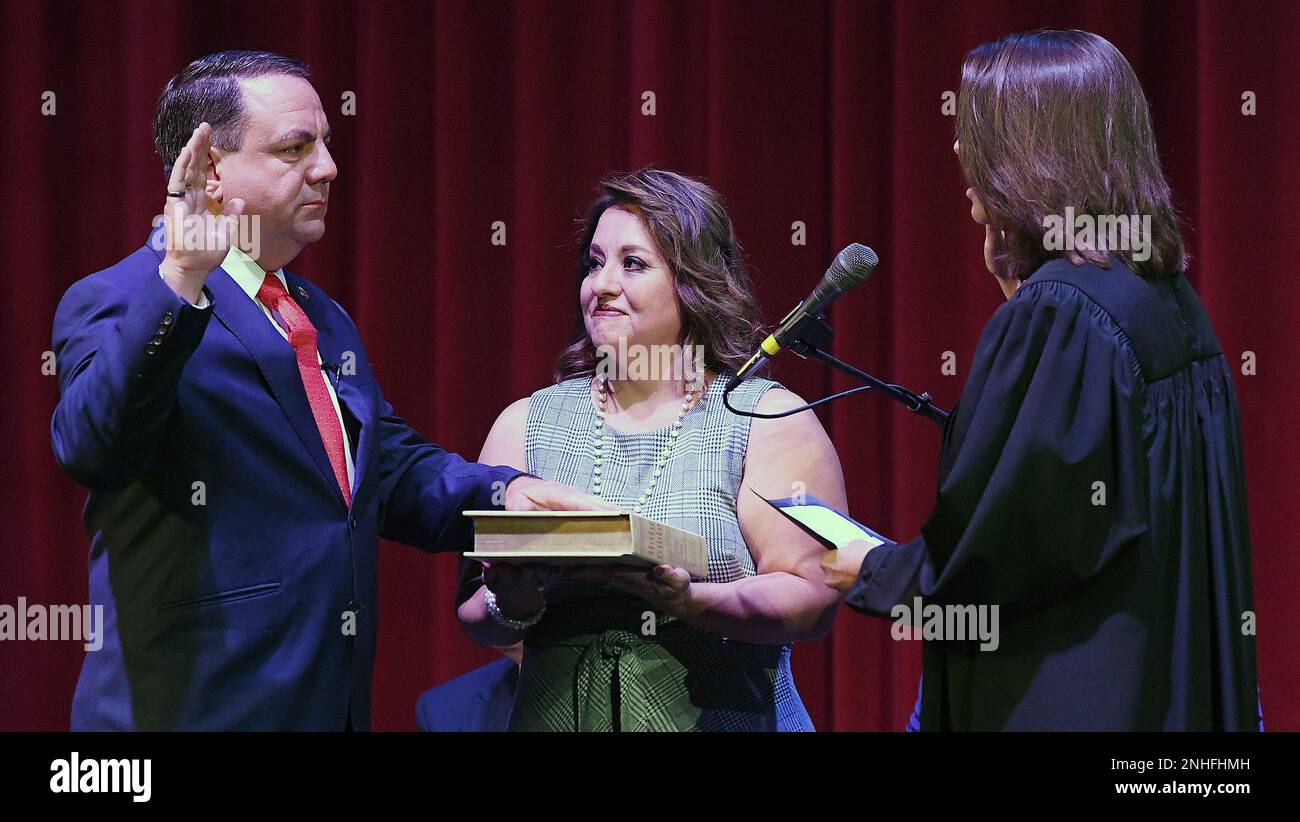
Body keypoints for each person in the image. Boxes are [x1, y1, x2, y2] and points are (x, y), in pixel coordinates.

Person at [50, 50, 599, 731]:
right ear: (210, 168)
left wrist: (503, 494)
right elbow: (94, 447)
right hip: (193, 711)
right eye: (295, 147)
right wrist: (182, 277)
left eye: (327, 145)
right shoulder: (123, 297)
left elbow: (382, 470)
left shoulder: (319, 314)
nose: (329, 168)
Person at [821, 29, 1259, 731]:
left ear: (1031, 153)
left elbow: (1009, 550)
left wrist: (874, 570)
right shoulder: (1161, 297)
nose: (961, 150)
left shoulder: (1062, 313)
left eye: (976, 130)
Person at [457, 169, 846, 731]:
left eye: (632, 264)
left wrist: (693, 603)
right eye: (594, 263)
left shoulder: (762, 418)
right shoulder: (526, 422)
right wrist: (511, 602)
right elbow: (474, 613)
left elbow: (812, 598)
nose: (602, 285)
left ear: (694, 283)